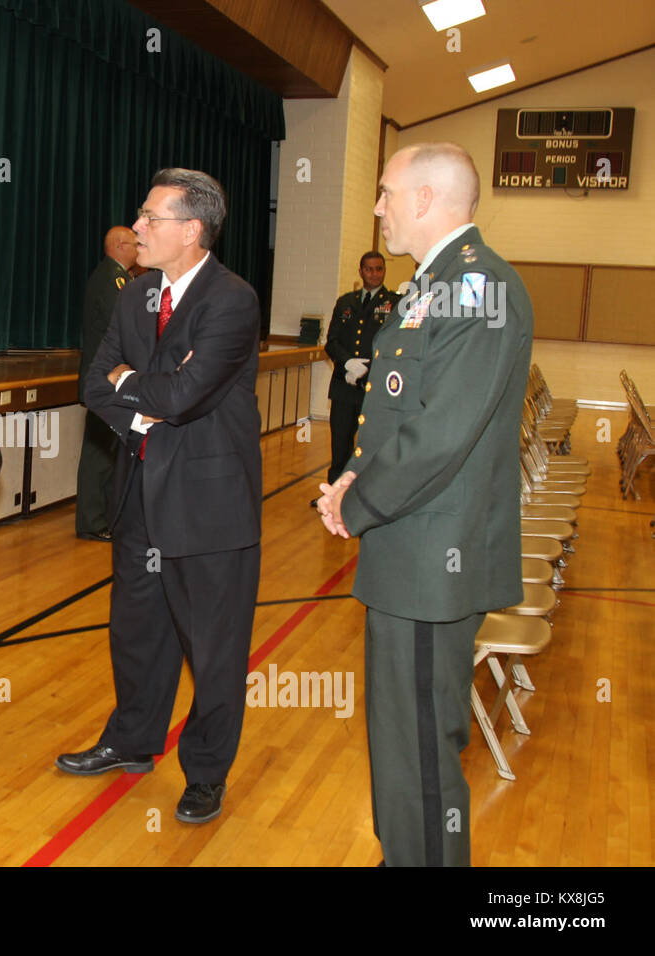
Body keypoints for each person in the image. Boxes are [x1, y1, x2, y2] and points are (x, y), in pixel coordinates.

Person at [317, 142, 533, 866]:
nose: (377, 208)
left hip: (430, 551)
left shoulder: (477, 286)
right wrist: (352, 477)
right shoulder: (436, 284)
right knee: (404, 737)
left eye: (385, 192)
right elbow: (397, 411)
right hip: (413, 545)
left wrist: (358, 503)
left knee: (420, 744)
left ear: (425, 198)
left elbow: (443, 432)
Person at [57, 168, 262, 825]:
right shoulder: (135, 295)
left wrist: (137, 388)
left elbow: (184, 394)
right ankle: (132, 740)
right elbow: (96, 382)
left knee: (213, 647)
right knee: (136, 630)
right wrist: (144, 403)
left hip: (207, 504)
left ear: (192, 230)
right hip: (140, 491)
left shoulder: (232, 300)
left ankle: (205, 773)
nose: (136, 227)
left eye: (150, 218)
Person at [315, 251, 399, 506]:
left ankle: (365, 498)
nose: (374, 274)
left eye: (379, 269)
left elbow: (395, 346)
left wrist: (367, 369)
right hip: (343, 386)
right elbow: (332, 342)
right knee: (340, 443)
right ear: (361, 271)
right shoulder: (345, 302)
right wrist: (348, 363)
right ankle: (332, 495)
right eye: (369, 269)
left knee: (371, 444)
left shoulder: (395, 303)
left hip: (373, 389)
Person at [75, 226, 139, 540]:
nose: (139, 249)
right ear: (119, 245)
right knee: (98, 454)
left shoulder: (121, 278)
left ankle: (106, 516)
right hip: (105, 380)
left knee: (111, 454)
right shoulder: (110, 279)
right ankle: (91, 521)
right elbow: (127, 324)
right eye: (135, 244)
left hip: (114, 379)